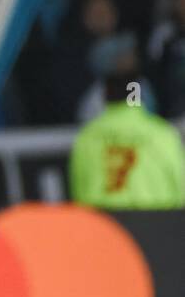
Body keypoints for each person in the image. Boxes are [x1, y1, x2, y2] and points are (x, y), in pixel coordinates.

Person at [69, 73, 185, 209]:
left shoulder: (87, 137)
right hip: (156, 221)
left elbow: (79, 192)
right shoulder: (162, 134)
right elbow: (180, 189)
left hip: (104, 223)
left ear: (105, 96)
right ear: (140, 95)